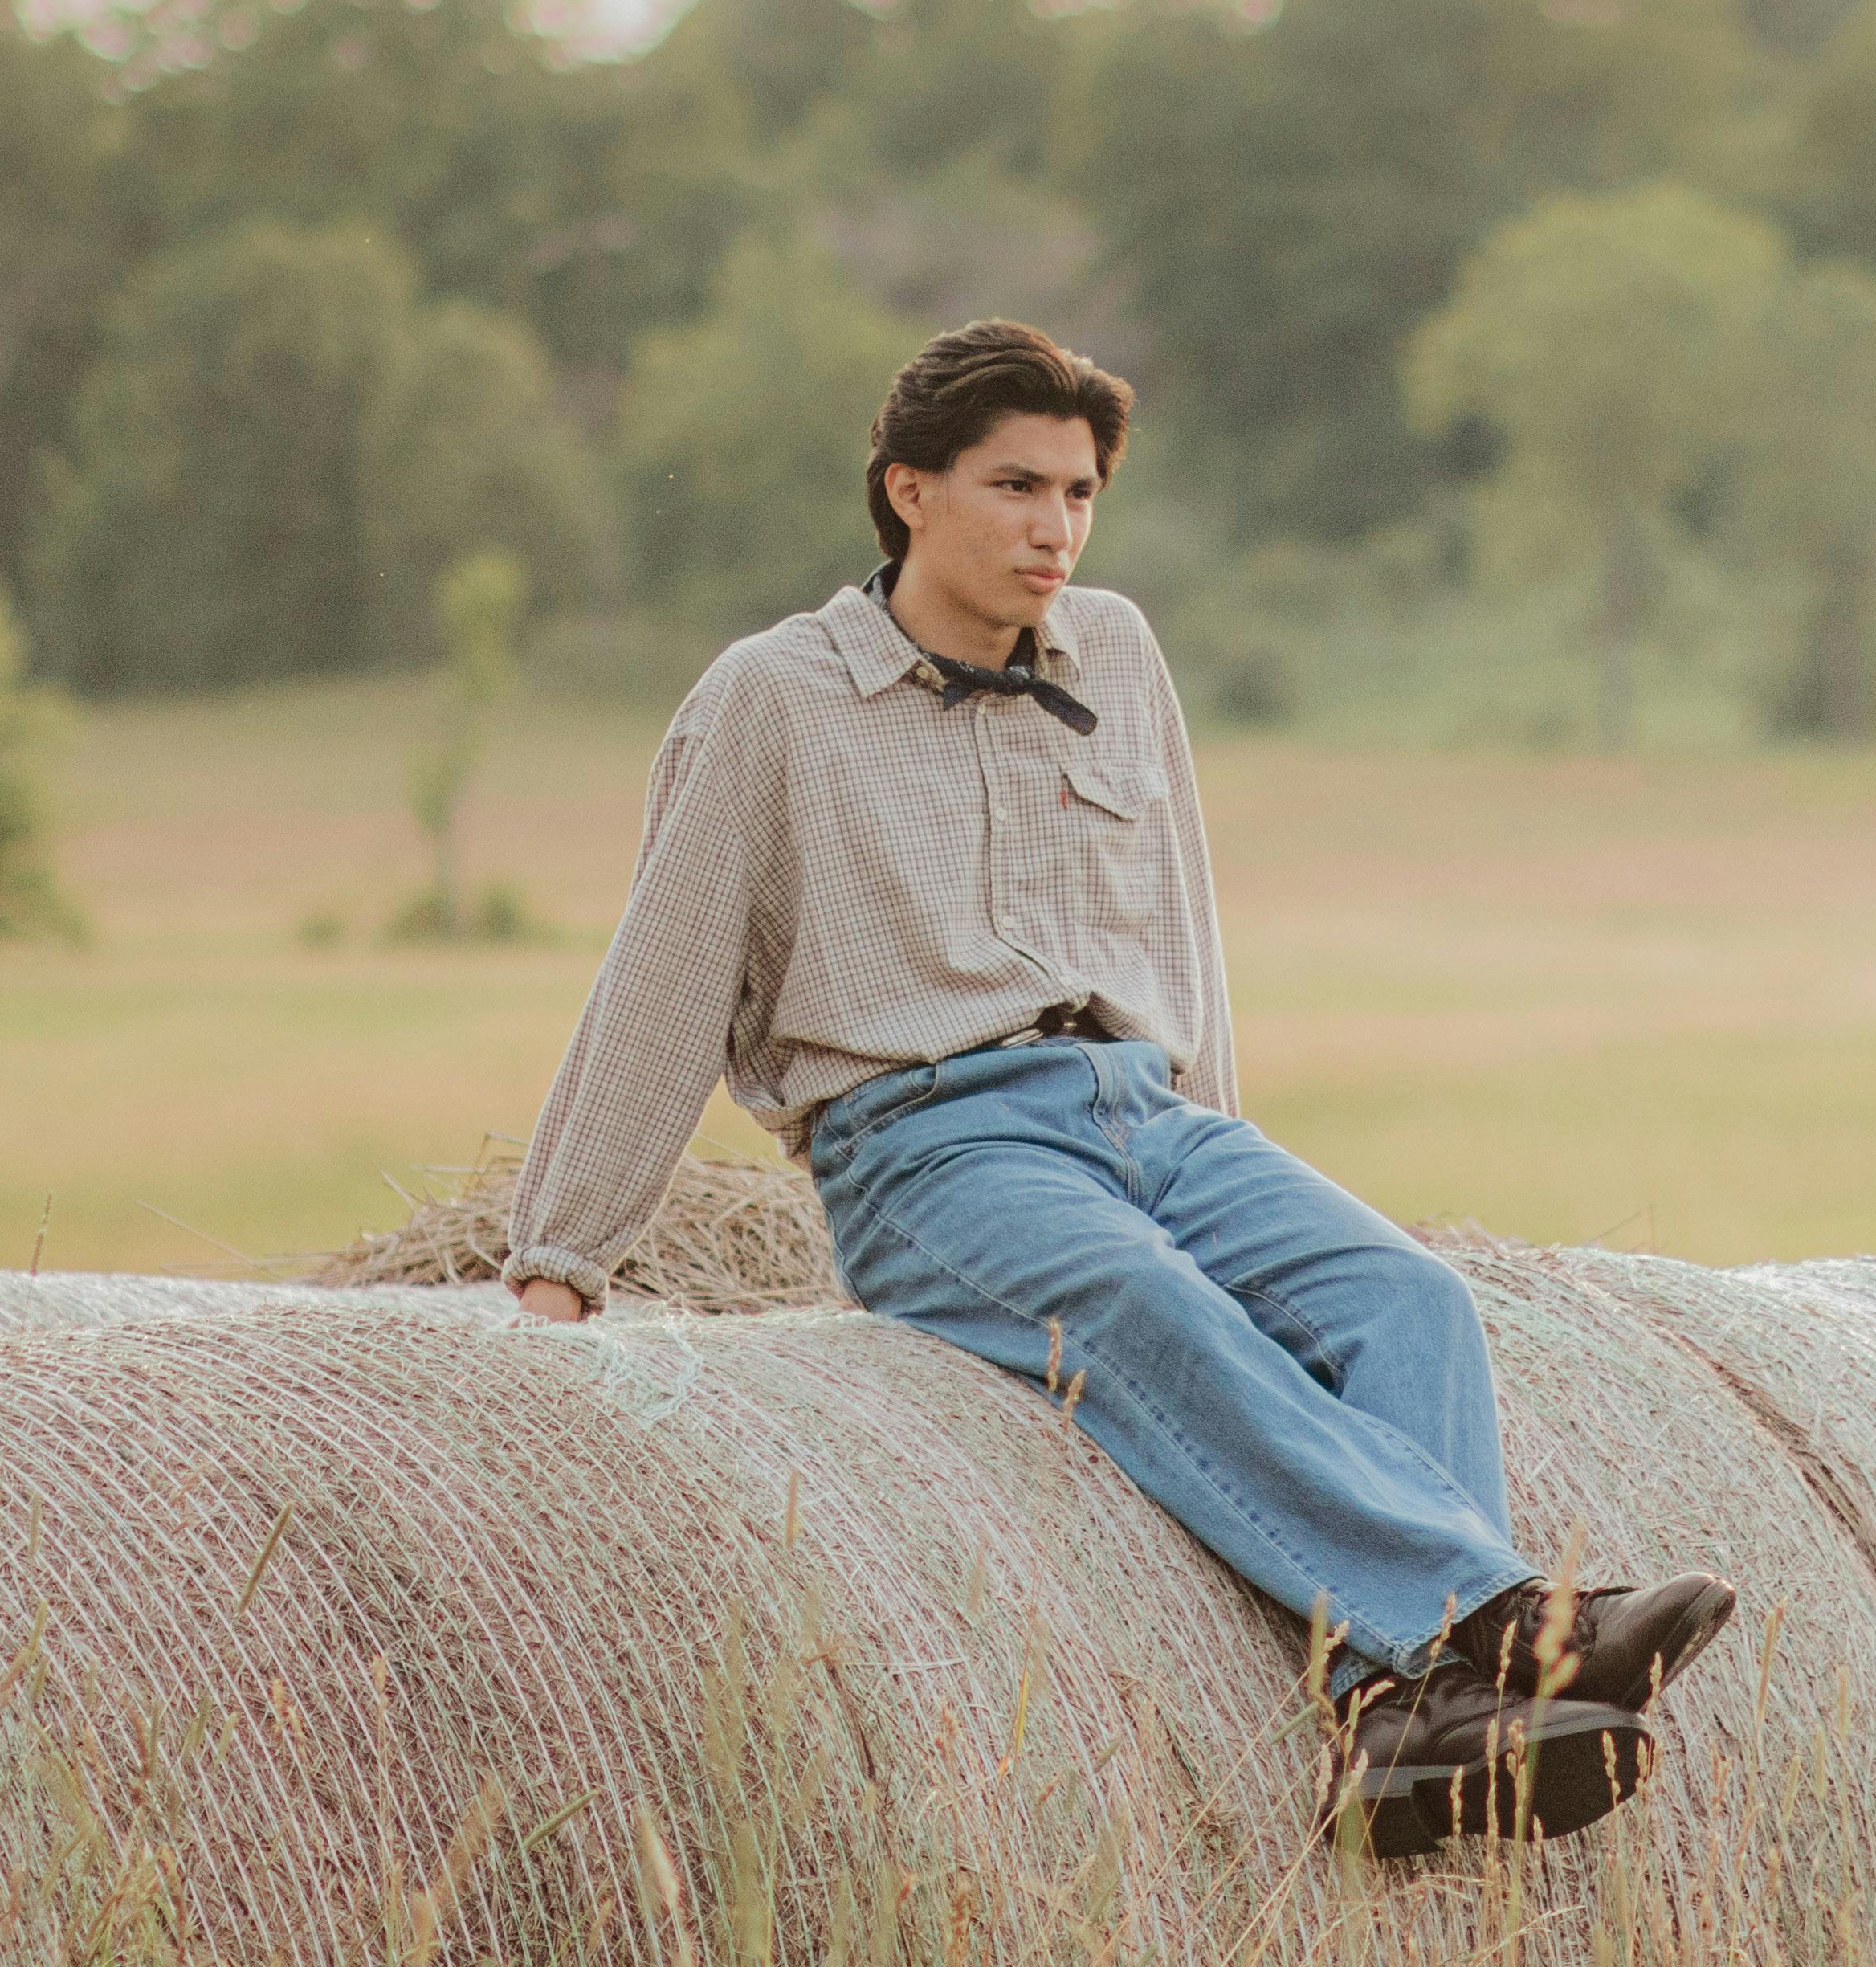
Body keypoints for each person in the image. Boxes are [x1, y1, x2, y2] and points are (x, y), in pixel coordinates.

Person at [497, 318, 1733, 1855]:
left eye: (1080, 494)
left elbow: (1180, 922)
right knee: (1148, 1304)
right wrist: (560, 1267)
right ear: (908, 492)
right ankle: (1505, 1632)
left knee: (1407, 1301)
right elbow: (665, 979)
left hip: (1148, 1117)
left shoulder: (1120, 656)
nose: (1055, 529)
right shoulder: (772, 698)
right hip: (929, 1151)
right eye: (1017, 487)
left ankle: (1401, 1724)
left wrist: (1220, 1134)